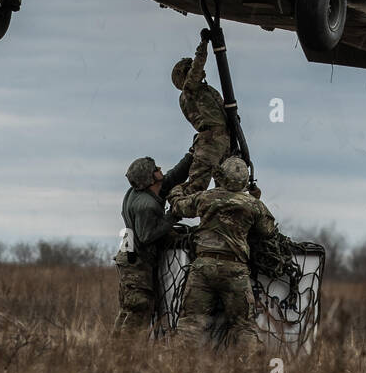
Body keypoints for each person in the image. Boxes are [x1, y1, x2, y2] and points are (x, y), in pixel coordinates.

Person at [168, 156, 277, 352]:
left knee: (190, 325)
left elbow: (178, 206)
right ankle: (249, 372)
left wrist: (176, 189)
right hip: (235, 271)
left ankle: (176, 369)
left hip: (203, 267)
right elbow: (268, 230)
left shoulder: (205, 198)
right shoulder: (253, 205)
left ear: (221, 177)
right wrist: (255, 200)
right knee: (243, 327)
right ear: (245, 181)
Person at [113, 150, 192, 334]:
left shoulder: (141, 191)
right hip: (137, 264)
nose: (160, 168)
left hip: (127, 256)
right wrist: (172, 216)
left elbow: (172, 177)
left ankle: (114, 350)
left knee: (128, 309)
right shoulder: (146, 206)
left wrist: (191, 156)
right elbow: (146, 236)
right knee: (139, 309)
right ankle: (125, 354)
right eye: (156, 169)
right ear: (150, 179)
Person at [171, 30, 232, 192]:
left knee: (228, 186)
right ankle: (174, 210)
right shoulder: (189, 89)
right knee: (196, 187)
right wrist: (204, 43)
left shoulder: (202, 90)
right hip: (210, 142)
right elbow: (198, 65)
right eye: (189, 69)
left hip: (222, 140)